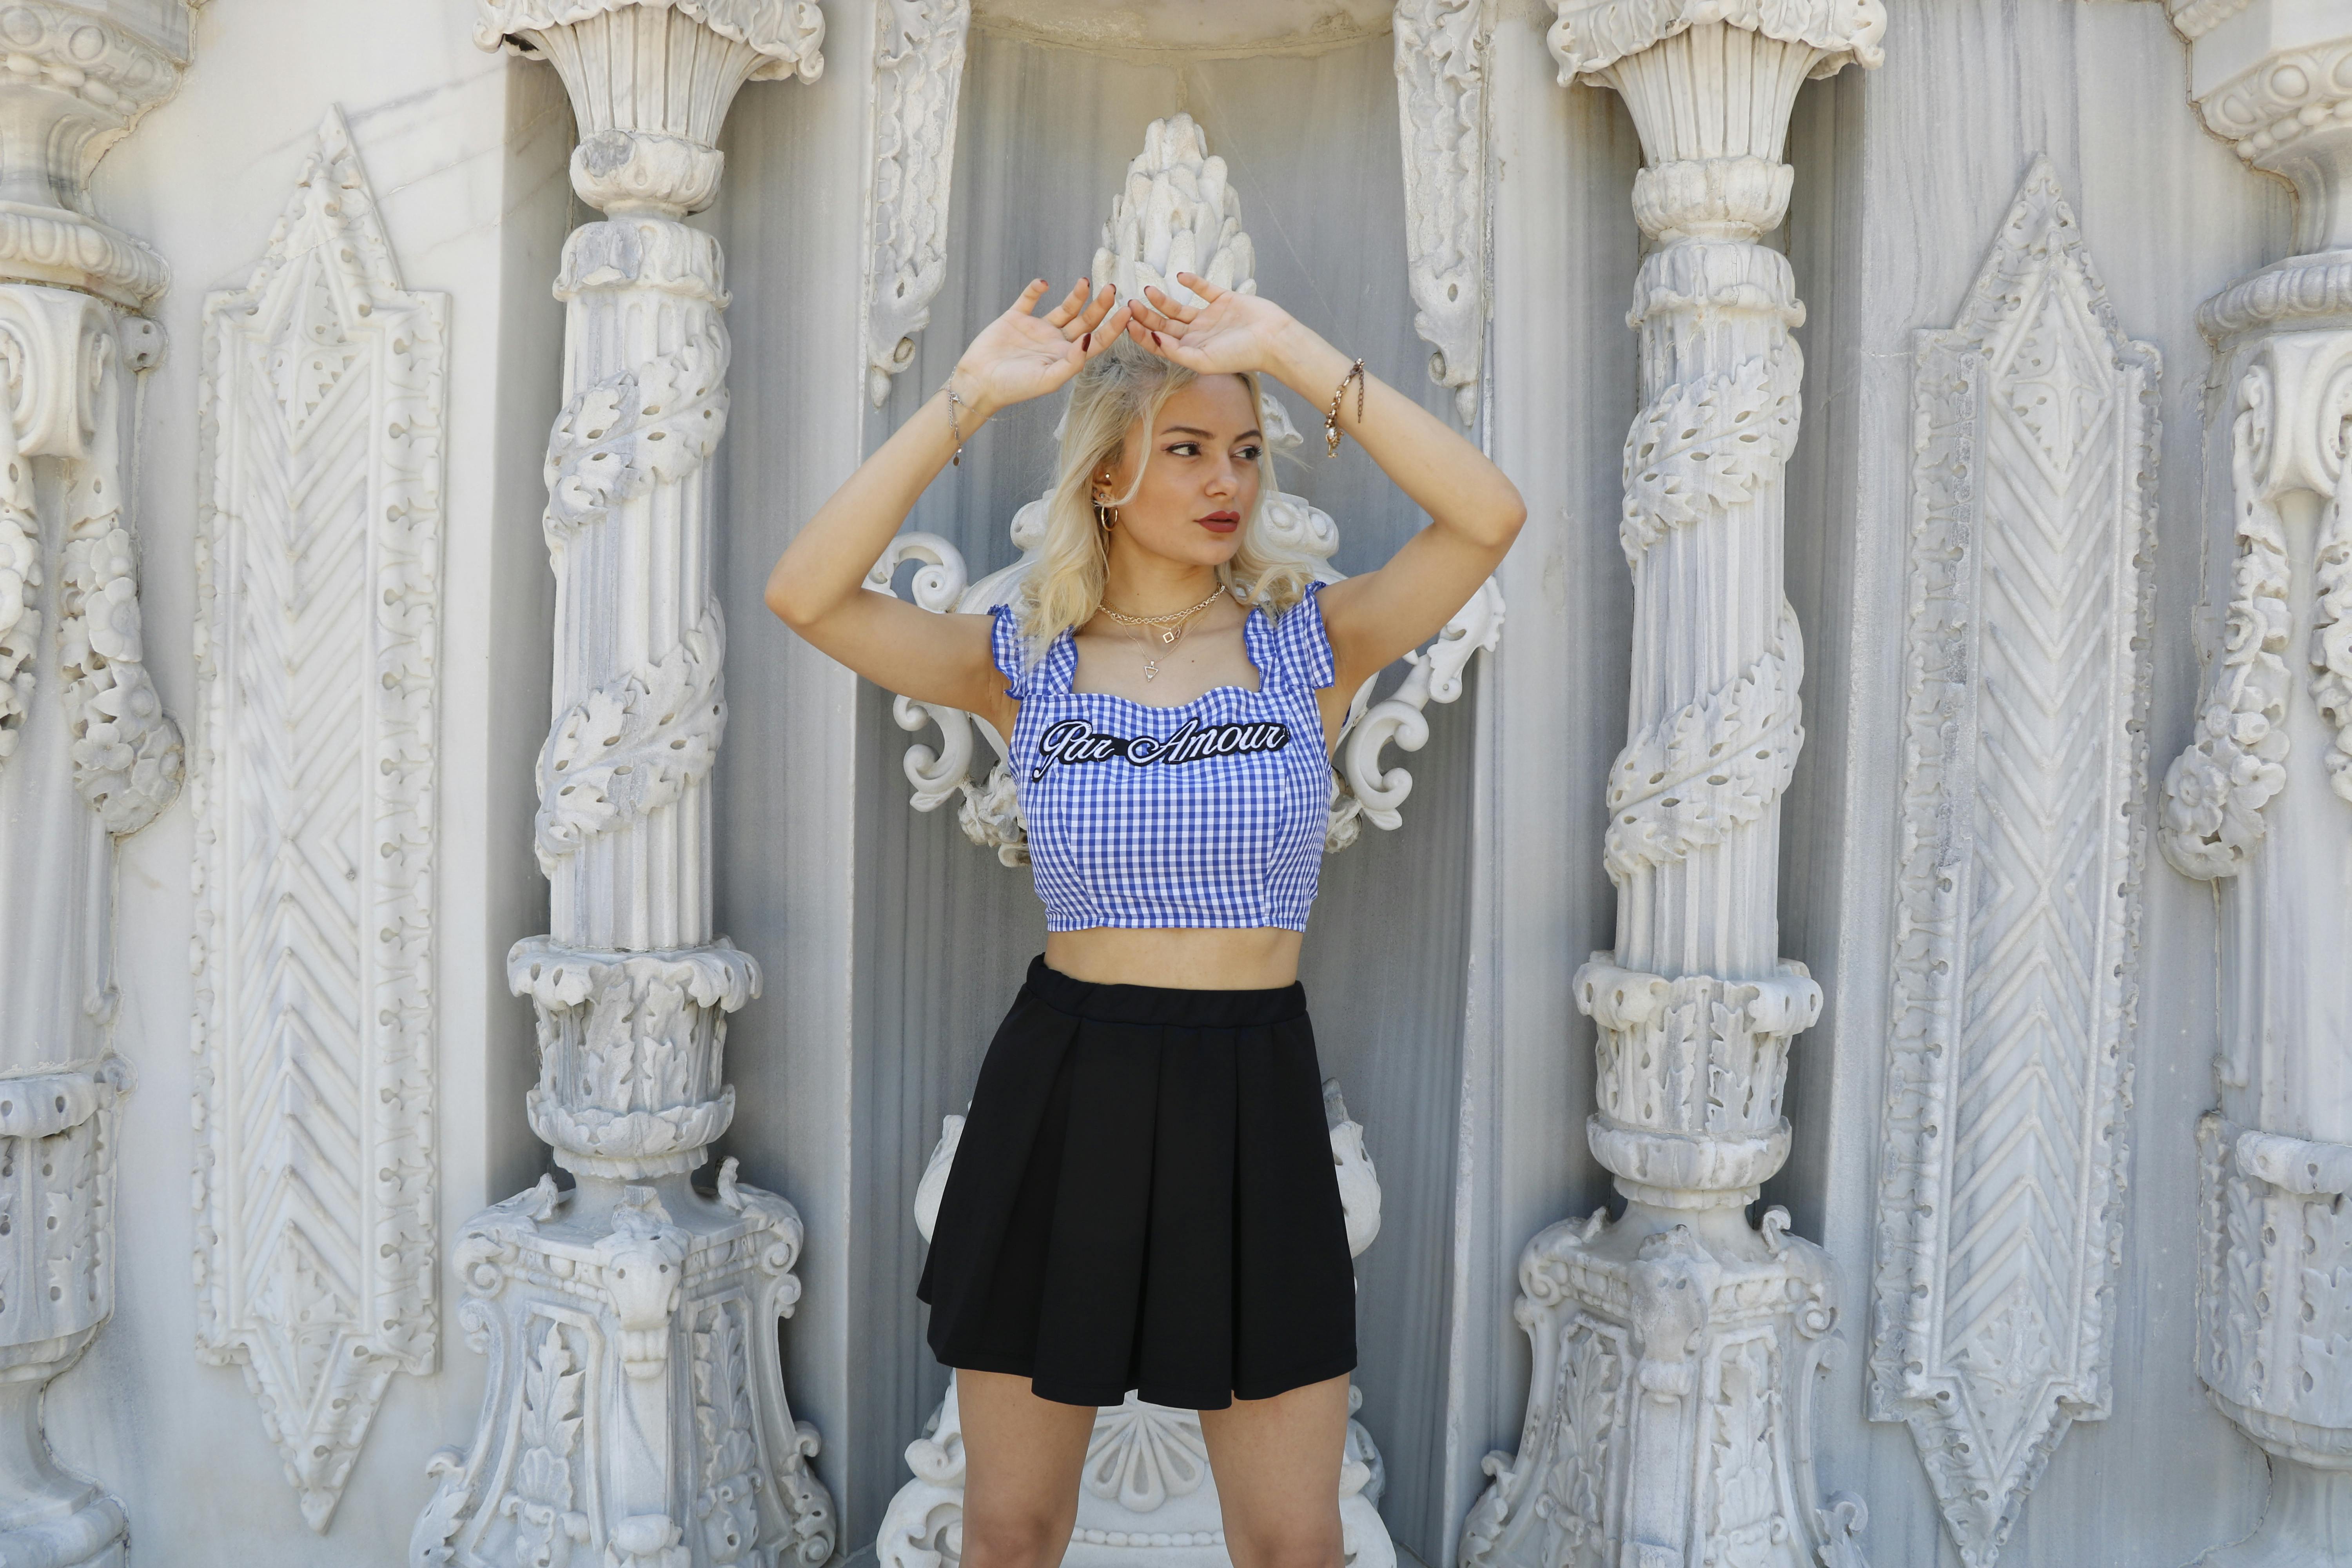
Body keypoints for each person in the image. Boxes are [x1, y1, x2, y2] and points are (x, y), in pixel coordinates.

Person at [765, 272, 1525, 1568]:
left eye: (1244, 452)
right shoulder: (1023, 661)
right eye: (1185, 450)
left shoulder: (1310, 649)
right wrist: (970, 394)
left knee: (1295, 1544)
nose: (1227, 479)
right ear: (1107, 477)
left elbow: (1488, 514)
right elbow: (806, 593)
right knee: (1012, 1533)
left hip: (1252, 1090)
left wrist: (1287, 345)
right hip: (1068, 1090)